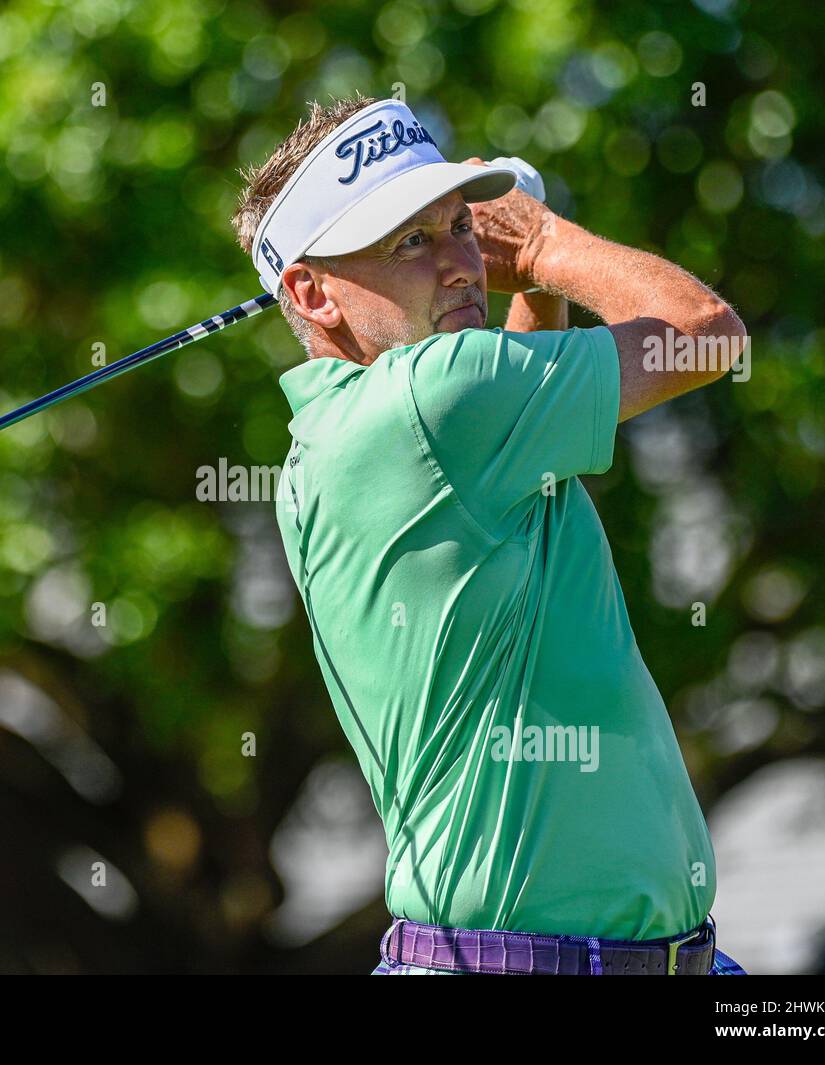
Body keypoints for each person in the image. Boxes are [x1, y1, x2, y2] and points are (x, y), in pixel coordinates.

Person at [230, 95, 749, 975]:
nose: (463, 263)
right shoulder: (431, 402)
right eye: (410, 243)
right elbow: (704, 335)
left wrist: (534, 289)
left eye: (461, 226)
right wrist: (544, 246)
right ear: (311, 293)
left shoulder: (363, 430)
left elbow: (515, 425)